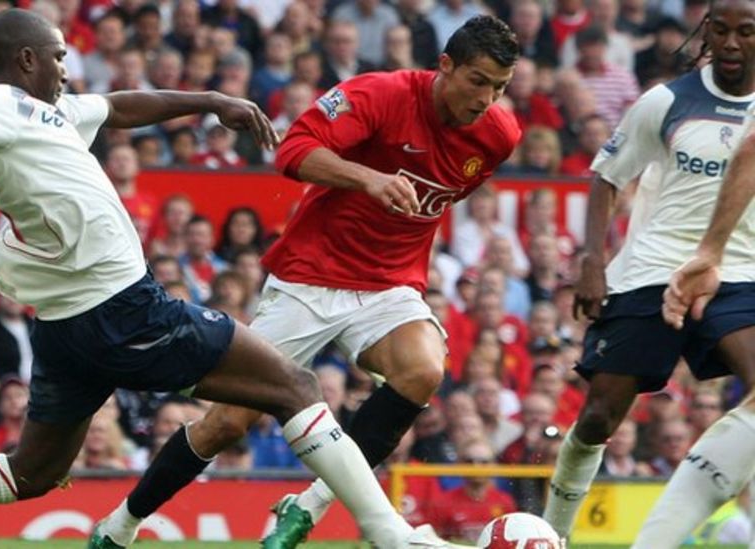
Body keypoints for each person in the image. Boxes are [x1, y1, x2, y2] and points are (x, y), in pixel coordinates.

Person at [0, 9, 441, 549]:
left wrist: (211, 101)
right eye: (57, 57)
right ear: (25, 59)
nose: (65, 68)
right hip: (124, 310)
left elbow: (119, 107)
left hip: (66, 327)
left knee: (33, 472)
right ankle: (389, 534)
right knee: (294, 386)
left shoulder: (49, 111)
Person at [95, 14, 521, 549]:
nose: (486, 99)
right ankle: (121, 524)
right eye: (477, 81)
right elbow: (293, 149)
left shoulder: (499, 135)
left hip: (388, 286)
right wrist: (368, 179)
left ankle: (309, 505)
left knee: (423, 370)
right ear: (445, 65)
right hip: (310, 279)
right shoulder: (380, 94)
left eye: (499, 87)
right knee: (227, 424)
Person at [542, 0, 755, 541]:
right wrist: (593, 260)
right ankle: (552, 532)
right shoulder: (666, 100)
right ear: (705, 32)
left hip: (740, 273)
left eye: (747, 32)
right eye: (721, 30)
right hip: (654, 269)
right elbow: (608, 176)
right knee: (598, 418)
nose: (732, 43)